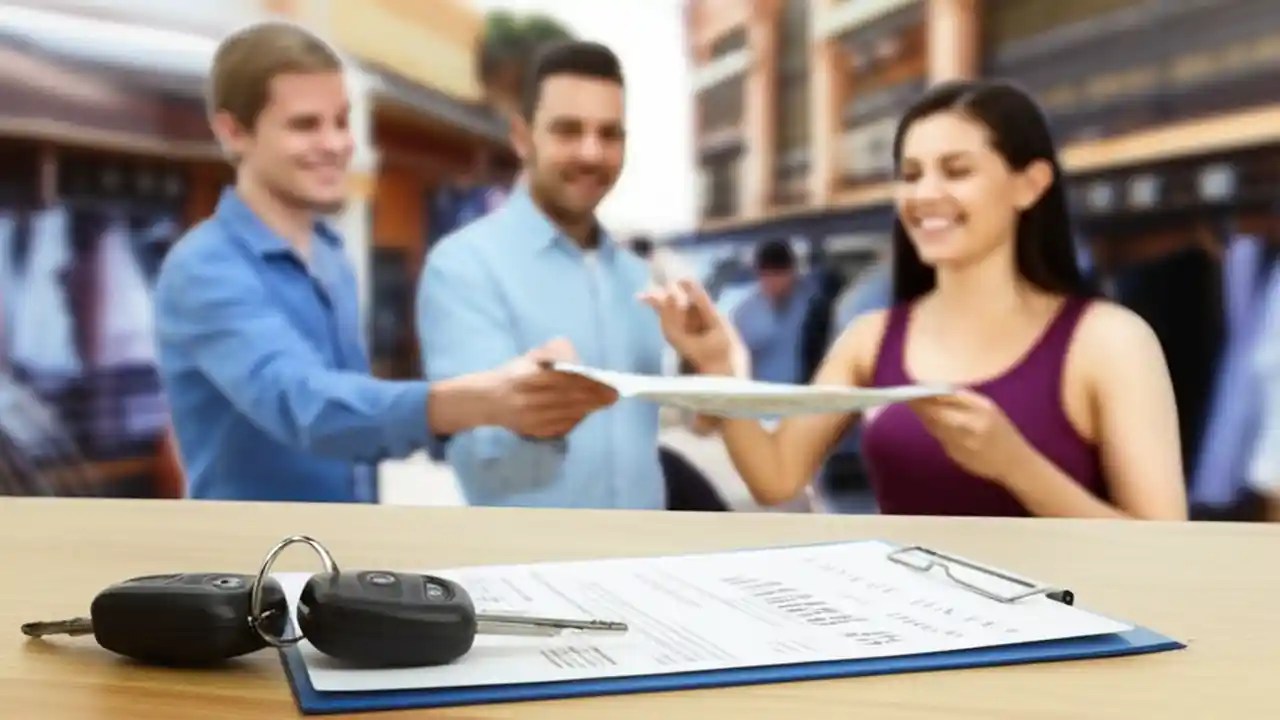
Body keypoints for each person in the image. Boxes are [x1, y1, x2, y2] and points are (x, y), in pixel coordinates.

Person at [642, 79, 1187, 519]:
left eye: (956, 171)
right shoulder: (869, 338)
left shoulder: (1109, 342)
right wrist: (718, 367)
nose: (925, 195)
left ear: (1030, 184)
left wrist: (1017, 467)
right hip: (909, 639)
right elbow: (777, 477)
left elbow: (1165, 552)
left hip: (1070, 647)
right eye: (910, 174)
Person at [153, 22, 615, 503]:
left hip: (340, 555)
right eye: (305, 124)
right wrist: (481, 399)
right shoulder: (204, 268)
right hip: (252, 564)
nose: (336, 144)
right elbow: (307, 407)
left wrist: (522, 409)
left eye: (341, 121)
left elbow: (355, 410)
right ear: (233, 132)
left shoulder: (330, 254)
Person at [416, 41, 667, 509]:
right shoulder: (464, 268)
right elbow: (485, 465)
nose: (592, 153)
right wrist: (537, 414)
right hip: (528, 572)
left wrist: (716, 370)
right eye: (568, 131)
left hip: (645, 567)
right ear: (521, 137)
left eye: (609, 134)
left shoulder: (641, 282)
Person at [732, 239, 816, 384]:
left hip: (801, 391)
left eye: (779, 275)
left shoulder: (809, 304)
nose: (774, 283)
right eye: (767, 276)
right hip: (761, 394)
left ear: (792, 272)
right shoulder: (745, 313)